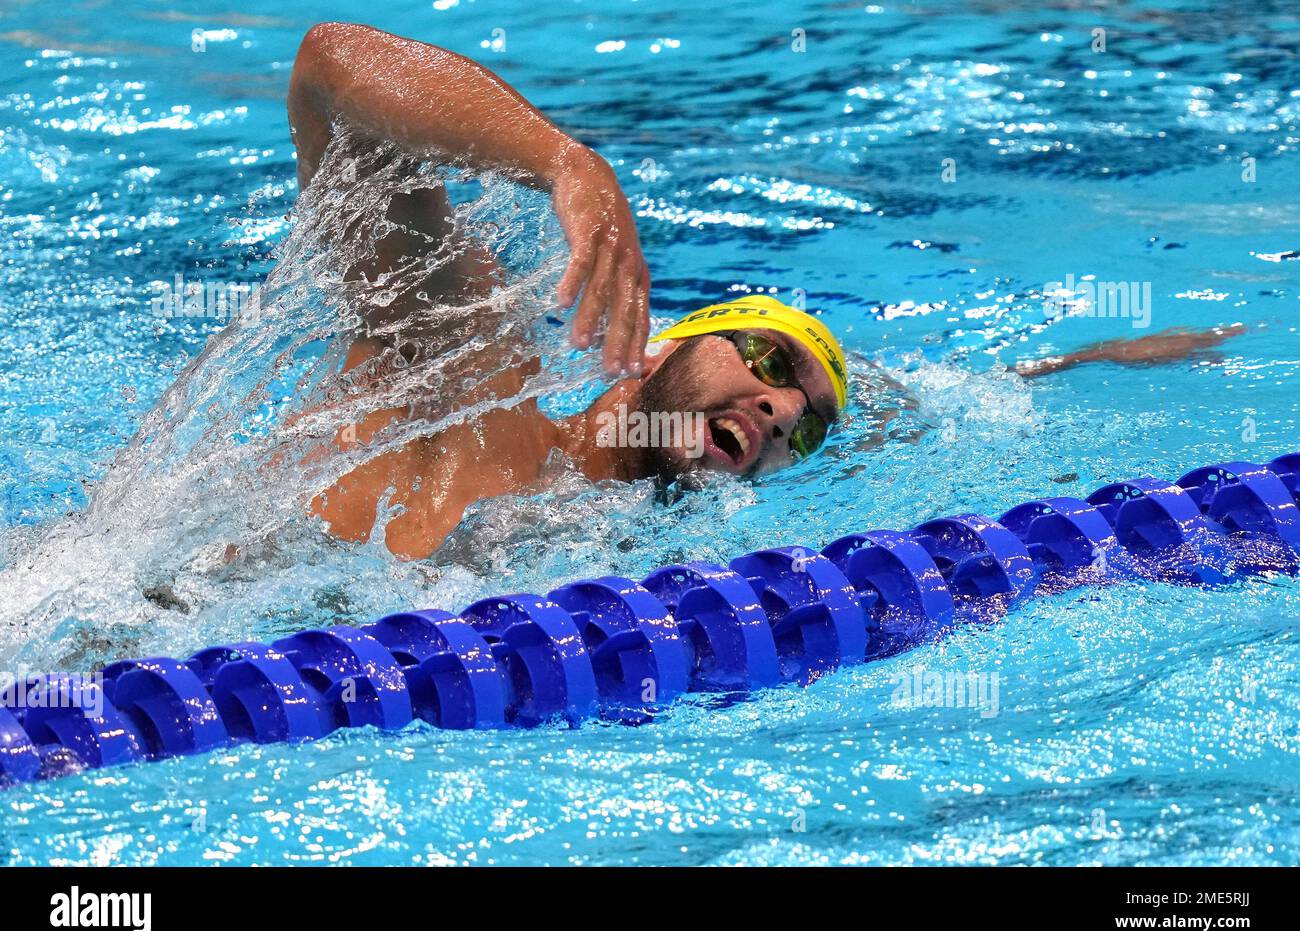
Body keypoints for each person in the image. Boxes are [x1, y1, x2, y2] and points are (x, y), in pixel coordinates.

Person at [286, 22, 1245, 561]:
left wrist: (1081, 361)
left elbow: (938, 400)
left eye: (806, 421)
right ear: (662, 347)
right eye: (768, 360)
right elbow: (330, 67)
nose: (782, 407)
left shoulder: (624, 567)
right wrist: (564, 163)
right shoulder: (470, 380)